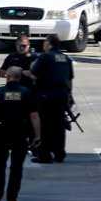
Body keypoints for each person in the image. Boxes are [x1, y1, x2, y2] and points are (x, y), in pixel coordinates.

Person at [0, 66, 40, 201]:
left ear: (7, 77)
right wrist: (37, 136)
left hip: (2, 132)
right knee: (16, 167)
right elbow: (34, 116)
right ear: (20, 78)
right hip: (20, 133)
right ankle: (12, 198)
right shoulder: (26, 92)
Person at [30, 34, 74, 163]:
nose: (43, 45)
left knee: (45, 126)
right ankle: (59, 153)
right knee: (59, 125)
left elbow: (34, 74)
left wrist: (25, 72)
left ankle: (45, 155)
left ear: (49, 44)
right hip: (62, 96)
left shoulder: (45, 57)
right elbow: (69, 80)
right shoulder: (66, 58)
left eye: (45, 42)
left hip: (46, 96)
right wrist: (69, 96)